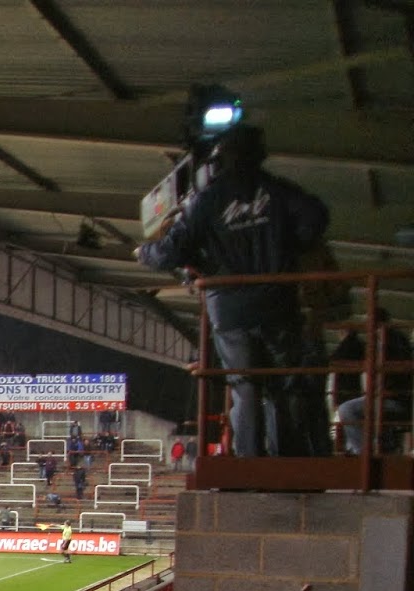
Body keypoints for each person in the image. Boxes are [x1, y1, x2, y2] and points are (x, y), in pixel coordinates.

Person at [136, 124, 330, 457]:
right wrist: (289, 245)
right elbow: (316, 216)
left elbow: (173, 249)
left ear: (220, 159)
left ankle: (249, 461)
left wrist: (144, 253)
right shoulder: (278, 191)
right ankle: (283, 461)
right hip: (277, 301)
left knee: (244, 386)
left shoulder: (207, 200)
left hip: (230, 308)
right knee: (282, 384)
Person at [332, 310, 412, 454]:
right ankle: (368, 447)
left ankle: (361, 451)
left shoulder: (389, 344)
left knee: (346, 409)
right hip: (396, 399)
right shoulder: (395, 341)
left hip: (394, 399)